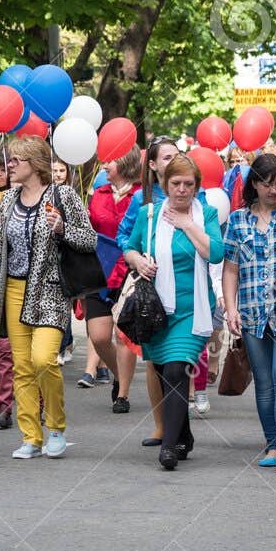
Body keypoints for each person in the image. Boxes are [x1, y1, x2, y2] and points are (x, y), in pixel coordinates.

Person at [0, 137, 98, 460]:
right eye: (9, 160)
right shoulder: (7, 200)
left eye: (16, 160)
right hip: (13, 290)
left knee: (44, 359)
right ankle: (30, 436)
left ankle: (56, 426)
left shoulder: (63, 196)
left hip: (50, 290)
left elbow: (90, 239)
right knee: (22, 366)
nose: (9, 166)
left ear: (35, 163)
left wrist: (62, 229)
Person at [124, 154, 223, 470]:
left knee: (177, 370)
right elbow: (129, 245)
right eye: (176, 183)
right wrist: (137, 260)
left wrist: (188, 225)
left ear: (196, 187)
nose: (182, 190)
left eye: (188, 184)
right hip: (156, 310)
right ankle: (184, 436)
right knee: (165, 374)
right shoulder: (149, 214)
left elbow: (216, 252)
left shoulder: (205, 214)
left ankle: (168, 447)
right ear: (164, 184)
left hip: (193, 310)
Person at [221, 153, 276, 470]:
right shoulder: (239, 220)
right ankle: (271, 445)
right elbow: (230, 270)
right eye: (267, 183)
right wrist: (230, 308)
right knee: (264, 382)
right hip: (251, 312)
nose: (274, 190)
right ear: (255, 183)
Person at [114, 137, 184, 444]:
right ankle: (161, 426)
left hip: (183, 284)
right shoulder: (142, 199)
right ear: (153, 165)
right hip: (151, 285)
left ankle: (180, 426)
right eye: (167, 158)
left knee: (178, 361)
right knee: (154, 360)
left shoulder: (194, 194)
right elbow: (124, 237)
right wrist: (138, 259)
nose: (173, 162)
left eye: (177, 156)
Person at [81, 147, 142, 406]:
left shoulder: (141, 196)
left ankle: (123, 394)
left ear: (126, 162)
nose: (104, 165)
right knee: (99, 337)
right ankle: (119, 375)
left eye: (111, 160)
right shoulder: (99, 194)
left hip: (129, 273)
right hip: (99, 271)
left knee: (123, 335)